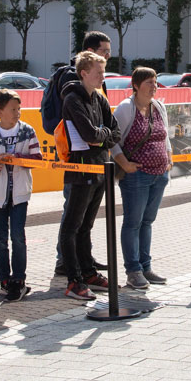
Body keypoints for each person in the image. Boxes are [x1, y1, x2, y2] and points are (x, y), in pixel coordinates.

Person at [56, 49, 119, 301]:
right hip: (80, 170)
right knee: (71, 226)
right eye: (99, 73)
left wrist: (101, 135)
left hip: (100, 167)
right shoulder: (72, 99)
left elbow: (115, 132)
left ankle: (88, 272)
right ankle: (74, 280)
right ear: (84, 73)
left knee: (87, 225)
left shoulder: (100, 98)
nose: (103, 77)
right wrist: (102, 135)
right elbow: (89, 135)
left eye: (103, 72)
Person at [112, 67, 172, 290]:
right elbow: (111, 139)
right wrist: (124, 163)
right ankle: (133, 271)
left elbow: (164, 134)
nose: (154, 86)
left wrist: (169, 156)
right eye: (149, 82)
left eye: (155, 82)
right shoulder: (126, 109)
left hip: (159, 174)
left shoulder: (158, 106)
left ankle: (146, 267)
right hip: (137, 177)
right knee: (133, 222)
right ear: (136, 86)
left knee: (147, 222)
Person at [0, 89, 40, 300]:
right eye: (13, 109)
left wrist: (15, 158)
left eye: (19, 108)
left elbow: (37, 158)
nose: (18, 112)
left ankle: (19, 279)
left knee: (18, 237)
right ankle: (4, 281)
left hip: (20, 195)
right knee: (0, 239)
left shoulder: (27, 131)